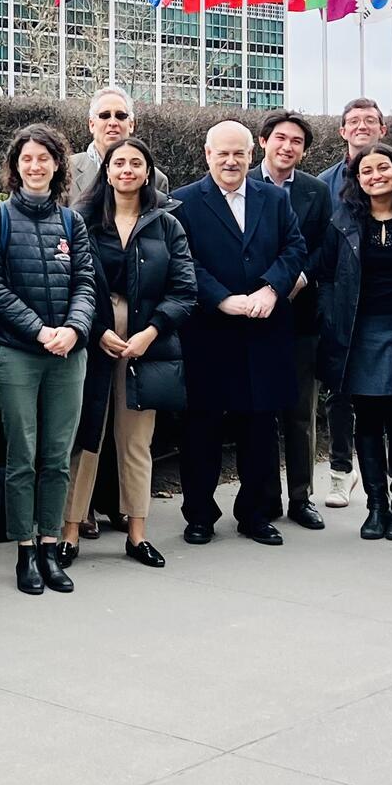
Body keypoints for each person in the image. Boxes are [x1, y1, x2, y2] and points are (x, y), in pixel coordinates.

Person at [57, 136, 194, 568]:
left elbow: (185, 290)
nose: (128, 170)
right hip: (94, 336)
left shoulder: (167, 222)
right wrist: (95, 329)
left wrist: (151, 333)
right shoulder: (81, 220)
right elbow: (69, 284)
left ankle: (137, 534)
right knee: (87, 434)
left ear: (148, 172)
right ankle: (70, 532)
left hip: (146, 340)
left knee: (136, 440)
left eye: (137, 162)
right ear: (107, 171)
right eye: (120, 163)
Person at [0, 125, 99, 593]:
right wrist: (39, 329)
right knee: (22, 455)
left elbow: (87, 283)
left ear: (57, 166)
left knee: (57, 456)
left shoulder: (73, 223)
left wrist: (73, 329)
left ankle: (51, 546)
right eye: (27, 158)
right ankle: (25, 551)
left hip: (69, 354)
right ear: (15, 166)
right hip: (16, 353)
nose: (35, 166)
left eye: (44, 158)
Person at [172, 120, 307, 546]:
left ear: (252, 154)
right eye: (222, 153)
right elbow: (183, 261)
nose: (231, 161)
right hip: (209, 333)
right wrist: (220, 299)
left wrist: (272, 288)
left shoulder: (274, 198)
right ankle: (199, 514)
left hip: (264, 330)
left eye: (239, 153)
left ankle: (254, 513)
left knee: (259, 430)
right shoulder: (184, 202)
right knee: (203, 430)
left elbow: (295, 248)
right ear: (207, 154)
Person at [317, 98, 392, 507]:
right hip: (356, 330)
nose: (375, 175)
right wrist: (331, 315)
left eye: (383, 168)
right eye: (366, 171)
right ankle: (375, 503)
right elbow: (326, 271)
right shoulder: (343, 215)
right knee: (364, 417)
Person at [254, 109, 337, 531]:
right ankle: (265, 496)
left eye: (297, 142)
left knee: (301, 411)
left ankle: (301, 496)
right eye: (281, 138)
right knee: (261, 408)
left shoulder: (315, 191)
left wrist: (300, 277)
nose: (288, 147)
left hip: (301, 312)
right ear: (264, 141)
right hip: (254, 313)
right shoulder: (243, 181)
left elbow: (324, 245)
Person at [69, 85, 171, 191]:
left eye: (120, 116)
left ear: (131, 125)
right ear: (92, 125)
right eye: (105, 115)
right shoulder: (66, 171)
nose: (113, 122)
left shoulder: (156, 180)